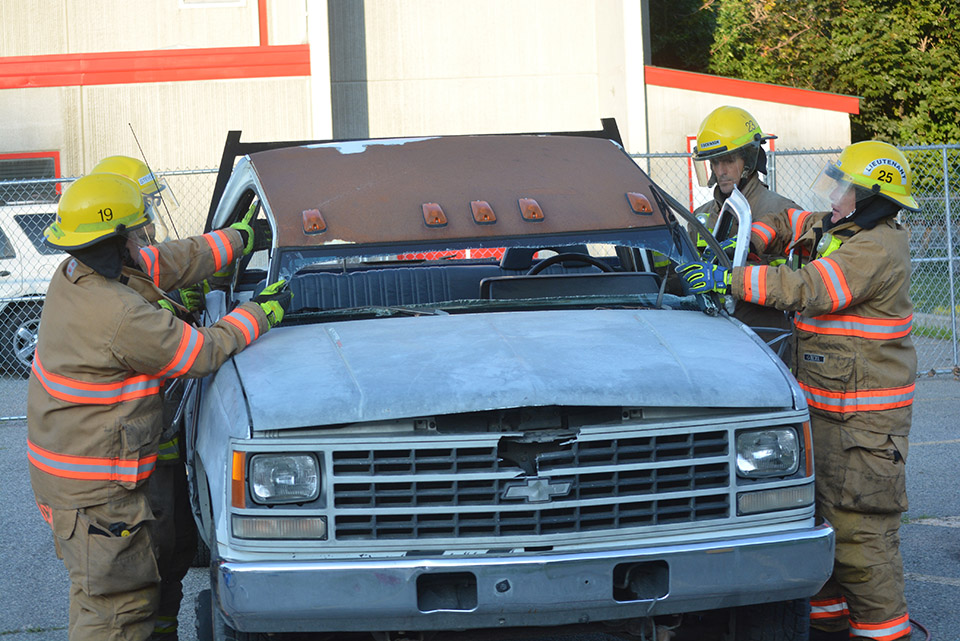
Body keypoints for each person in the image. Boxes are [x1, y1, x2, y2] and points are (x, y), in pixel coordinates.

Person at [27, 171, 291, 641]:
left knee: (116, 596)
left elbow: (165, 261)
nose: (144, 239)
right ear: (115, 242)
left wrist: (239, 239)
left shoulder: (75, 275)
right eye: (136, 231)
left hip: (77, 485)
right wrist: (260, 313)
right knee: (117, 611)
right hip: (97, 497)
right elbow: (201, 352)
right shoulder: (119, 314)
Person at [678, 140, 918, 641]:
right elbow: (790, 219)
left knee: (860, 539)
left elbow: (806, 288)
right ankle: (828, 626)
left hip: (864, 429)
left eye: (843, 188)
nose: (833, 196)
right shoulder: (843, 229)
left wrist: (728, 278)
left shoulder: (875, 249)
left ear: (870, 198)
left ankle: (884, 632)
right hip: (830, 416)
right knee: (822, 526)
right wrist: (749, 233)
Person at [691, 105, 802, 341]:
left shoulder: (782, 212)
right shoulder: (701, 216)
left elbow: (800, 284)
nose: (720, 171)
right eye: (714, 162)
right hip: (712, 337)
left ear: (750, 160)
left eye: (728, 160)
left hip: (767, 338)